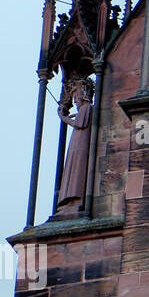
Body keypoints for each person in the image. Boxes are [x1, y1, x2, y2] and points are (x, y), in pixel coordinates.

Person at [55, 77, 94, 212]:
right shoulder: (84, 110)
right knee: (72, 166)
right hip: (77, 141)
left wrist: (63, 118)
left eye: (77, 97)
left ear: (83, 96)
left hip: (80, 142)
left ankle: (74, 197)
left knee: (77, 166)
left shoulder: (87, 108)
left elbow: (80, 124)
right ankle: (68, 198)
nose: (76, 100)